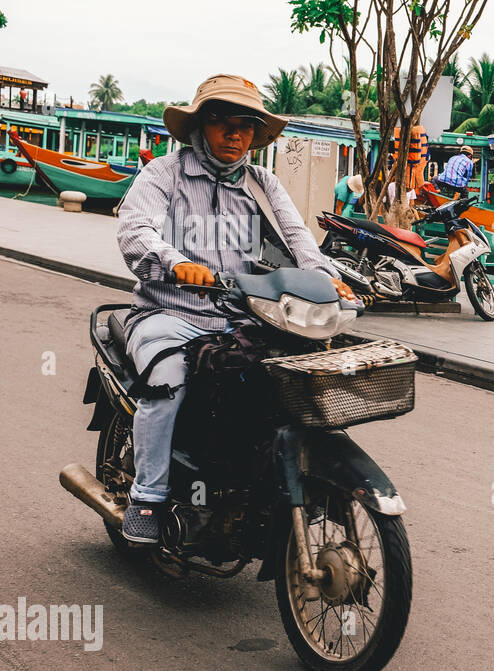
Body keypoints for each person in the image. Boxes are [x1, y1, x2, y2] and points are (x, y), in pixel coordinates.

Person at [115, 73, 358, 544]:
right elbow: (135, 230)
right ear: (198, 126)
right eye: (221, 122)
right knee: (166, 381)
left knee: (290, 381)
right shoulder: (163, 174)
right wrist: (176, 261)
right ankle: (147, 496)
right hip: (168, 314)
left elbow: (298, 238)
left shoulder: (263, 183)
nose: (234, 134)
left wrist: (329, 276)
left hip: (244, 315)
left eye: (245, 125)